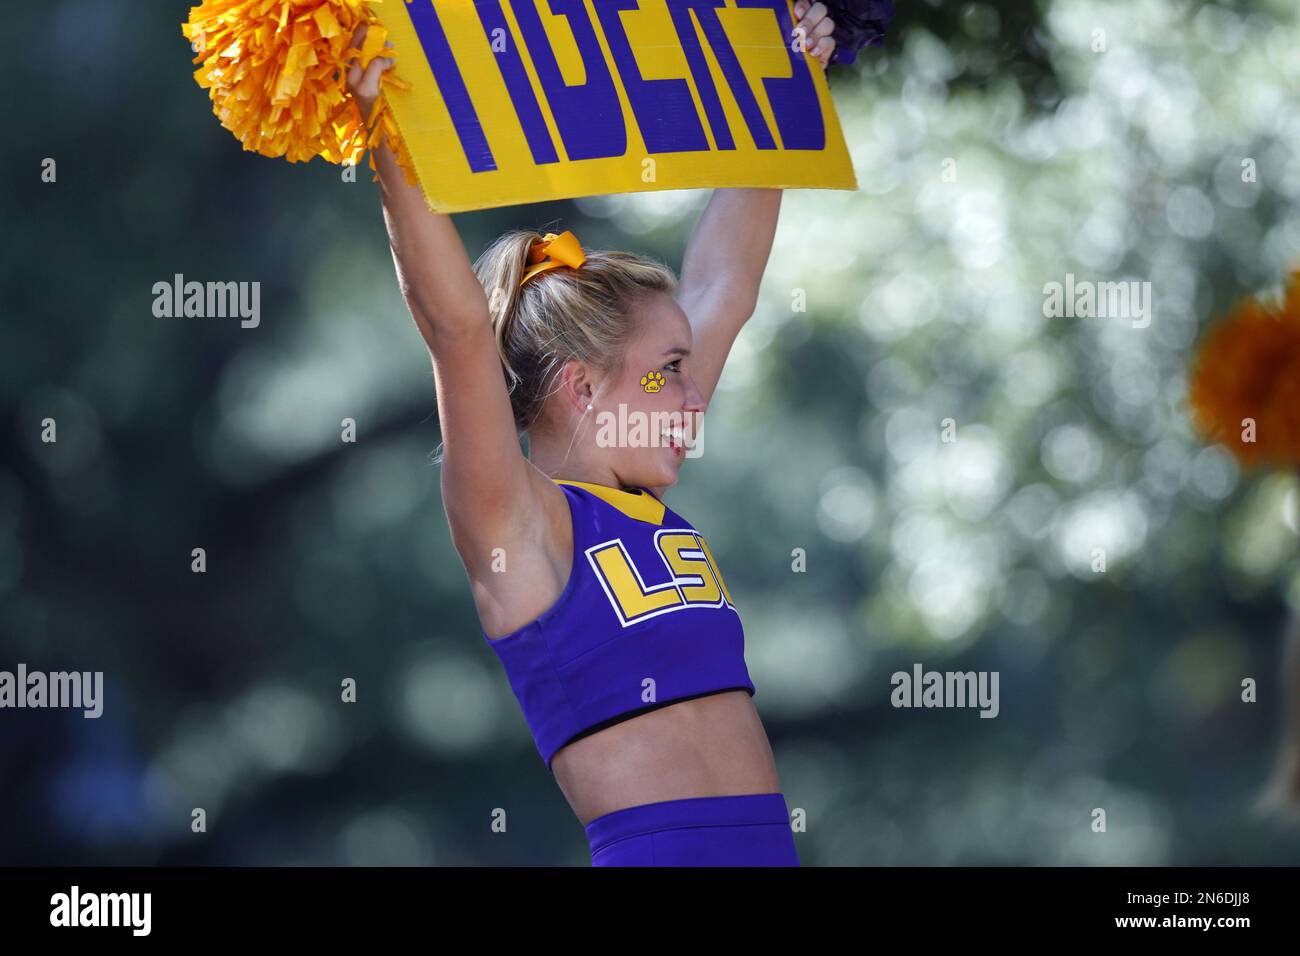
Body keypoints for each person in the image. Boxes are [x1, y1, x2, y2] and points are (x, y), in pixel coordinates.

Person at [348, 2, 870, 866]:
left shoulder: (644, 495)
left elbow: (725, 285)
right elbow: (456, 331)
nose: (694, 397)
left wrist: (790, 75)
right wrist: (383, 129)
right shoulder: (519, 523)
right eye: (670, 370)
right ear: (584, 386)